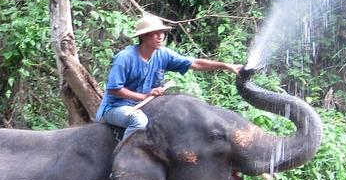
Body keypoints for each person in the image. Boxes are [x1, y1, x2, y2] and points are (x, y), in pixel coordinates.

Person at [95, 13, 242, 142]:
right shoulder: (125, 58)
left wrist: (227, 66)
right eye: (155, 33)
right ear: (143, 36)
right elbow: (114, 89)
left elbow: (195, 63)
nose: (161, 36)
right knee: (139, 121)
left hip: (144, 105)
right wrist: (144, 96)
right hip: (116, 108)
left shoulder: (163, 54)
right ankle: (123, 161)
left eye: (162, 32)